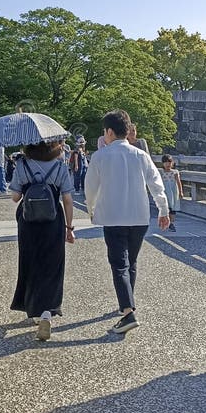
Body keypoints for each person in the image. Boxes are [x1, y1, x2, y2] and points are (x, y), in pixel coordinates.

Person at [85, 109, 169, 334]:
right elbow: (156, 184)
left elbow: (90, 187)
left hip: (113, 217)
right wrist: (163, 210)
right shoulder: (141, 155)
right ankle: (128, 301)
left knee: (119, 264)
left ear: (110, 132)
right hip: (139, 216)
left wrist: (90, 208)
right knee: (131, 262)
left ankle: (127, 311)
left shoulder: (100, 156)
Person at [9, 139, 75, 341]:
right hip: (52, 220)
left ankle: (33, 309)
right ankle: (47, 313)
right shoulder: (59, 166)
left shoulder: (22, 165)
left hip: (28, 221)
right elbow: (67, 199)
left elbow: (15, 196)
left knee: (30, 262)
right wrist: (69, 228)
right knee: (52, 265)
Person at [160, 154, 184, 231]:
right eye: (166, 162)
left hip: (173, 193)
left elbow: (178, 182)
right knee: (166, 208)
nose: (168, 164)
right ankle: (166, 222)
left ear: (172, 163)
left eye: (169, 162)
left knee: (173, 209)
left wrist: (180, 192)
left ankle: (171, 223)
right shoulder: (161, 172)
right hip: (165, 192)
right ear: (163, 163)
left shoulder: (175, 172)